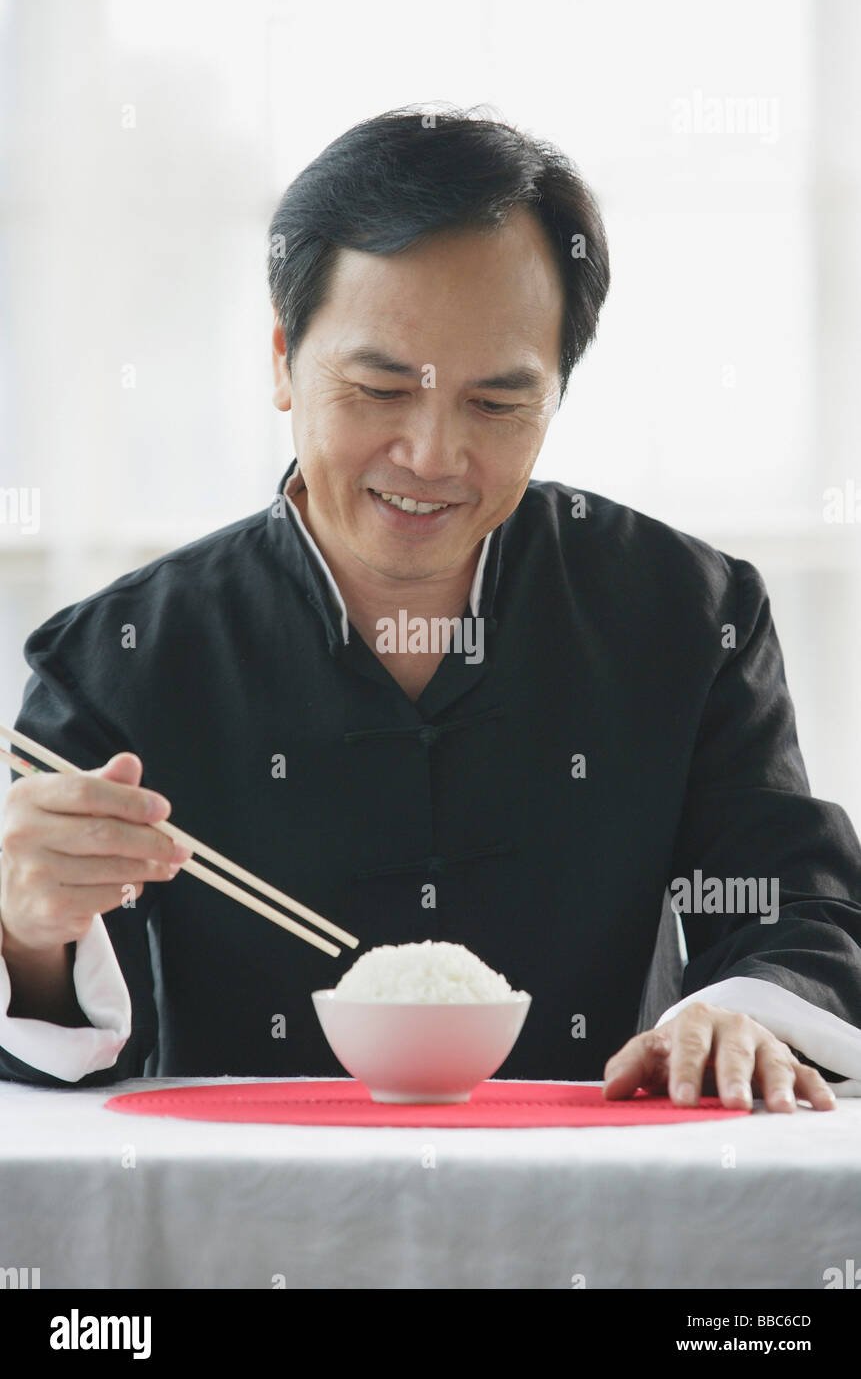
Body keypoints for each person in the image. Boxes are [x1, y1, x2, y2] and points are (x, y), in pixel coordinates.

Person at [1, 107, 859, 1111]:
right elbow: (67, 1045)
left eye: (496, 405)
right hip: (234, 1215)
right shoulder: (119, 659)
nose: (432, 456)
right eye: (376, 387)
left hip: (601, 1207)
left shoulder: (686, 612)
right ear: (282, 359)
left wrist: (741, 1010)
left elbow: (797, 904)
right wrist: (27, 931)